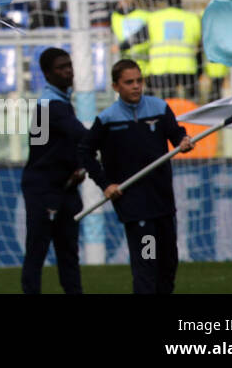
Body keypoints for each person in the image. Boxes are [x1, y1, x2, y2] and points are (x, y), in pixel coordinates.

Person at [79, 60, 193, 294]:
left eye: (139, 81)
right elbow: (84, 152)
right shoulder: (108, 119)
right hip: (136, 207)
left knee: (168, 265)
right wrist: (105, 183)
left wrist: (183, 140)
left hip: (163, 203)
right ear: (115, 86)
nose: (136, 86)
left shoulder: (159, 108)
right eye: (129, 82)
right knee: (146, 266)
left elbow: (176, 133)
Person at [20, 48, 86, 295]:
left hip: (63, 186)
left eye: (69, 64)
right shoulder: (52, 104)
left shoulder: (57, 101)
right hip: (45, 188)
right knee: (38, 251)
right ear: (47, 74)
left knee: (68, 252)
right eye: (60, 67)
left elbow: (60, 143)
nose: (68, 70)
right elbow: (81, 135)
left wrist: (78, 165)